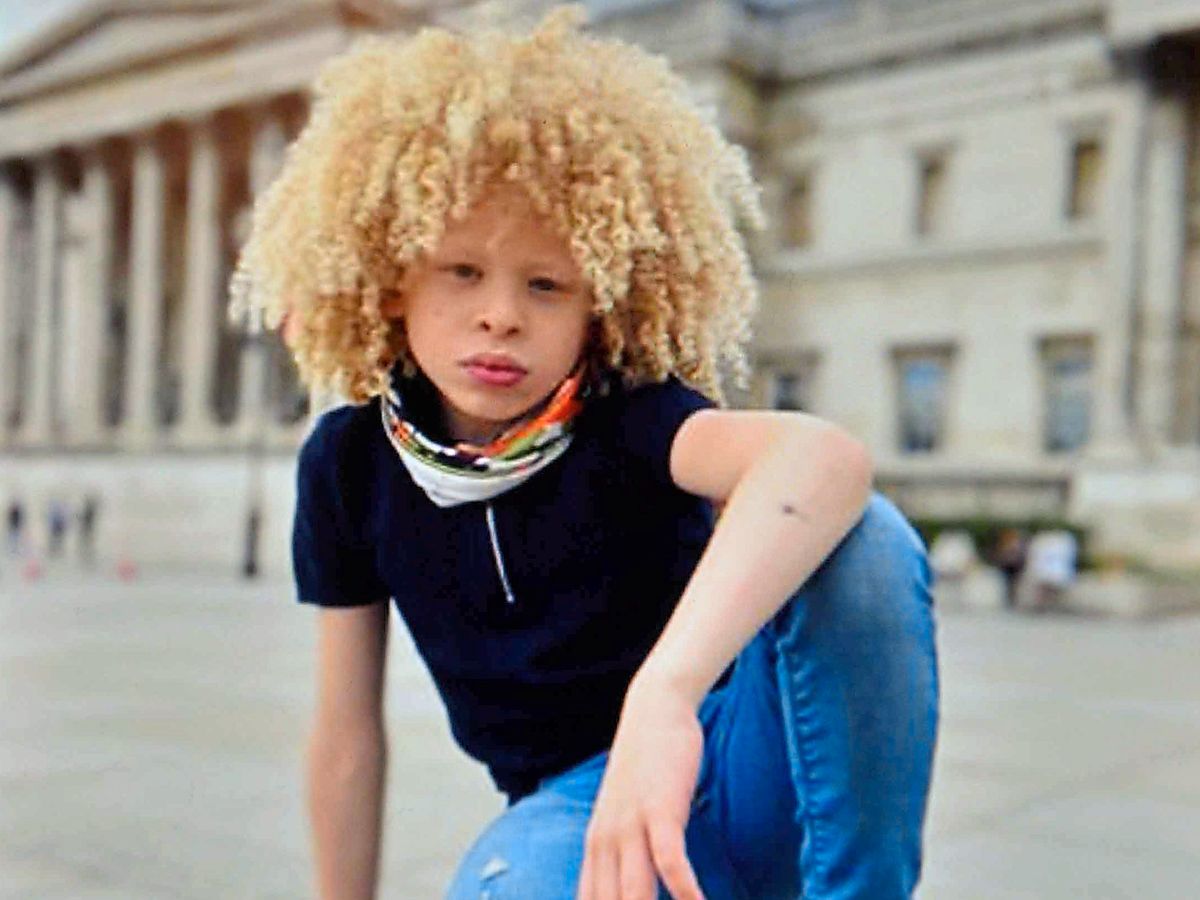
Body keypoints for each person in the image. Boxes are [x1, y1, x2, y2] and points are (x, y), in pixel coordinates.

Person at [229, 8, 938, 899]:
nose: (501, 316)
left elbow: (820, 459)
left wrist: (665, 693)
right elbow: (345, 734)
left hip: (740, 760)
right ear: (391, 276)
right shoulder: (348, 465)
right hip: (576, 809)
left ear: (598, 307)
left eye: (546, 284)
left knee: (864, 540)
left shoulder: (628, 418)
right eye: (461, 271)